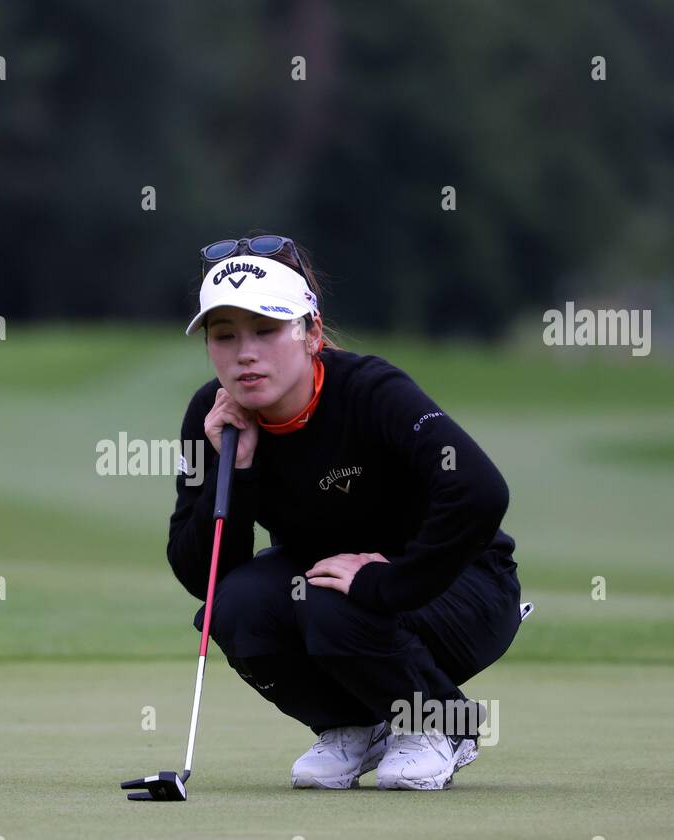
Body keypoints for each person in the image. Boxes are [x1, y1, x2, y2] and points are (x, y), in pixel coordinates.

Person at [166, 233, 524, 791]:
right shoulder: (213, 418)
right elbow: (204, 574)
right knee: (236, 607)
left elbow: (480, 490)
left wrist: (388, 581)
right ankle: (354, 725)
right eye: (224, 335)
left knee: (332, 606)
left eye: (266, 330)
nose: (244, 353)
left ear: (310, 332)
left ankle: (441, 726)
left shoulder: (370, 391)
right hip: (337, 595)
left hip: (463, 588)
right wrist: (233, 470)